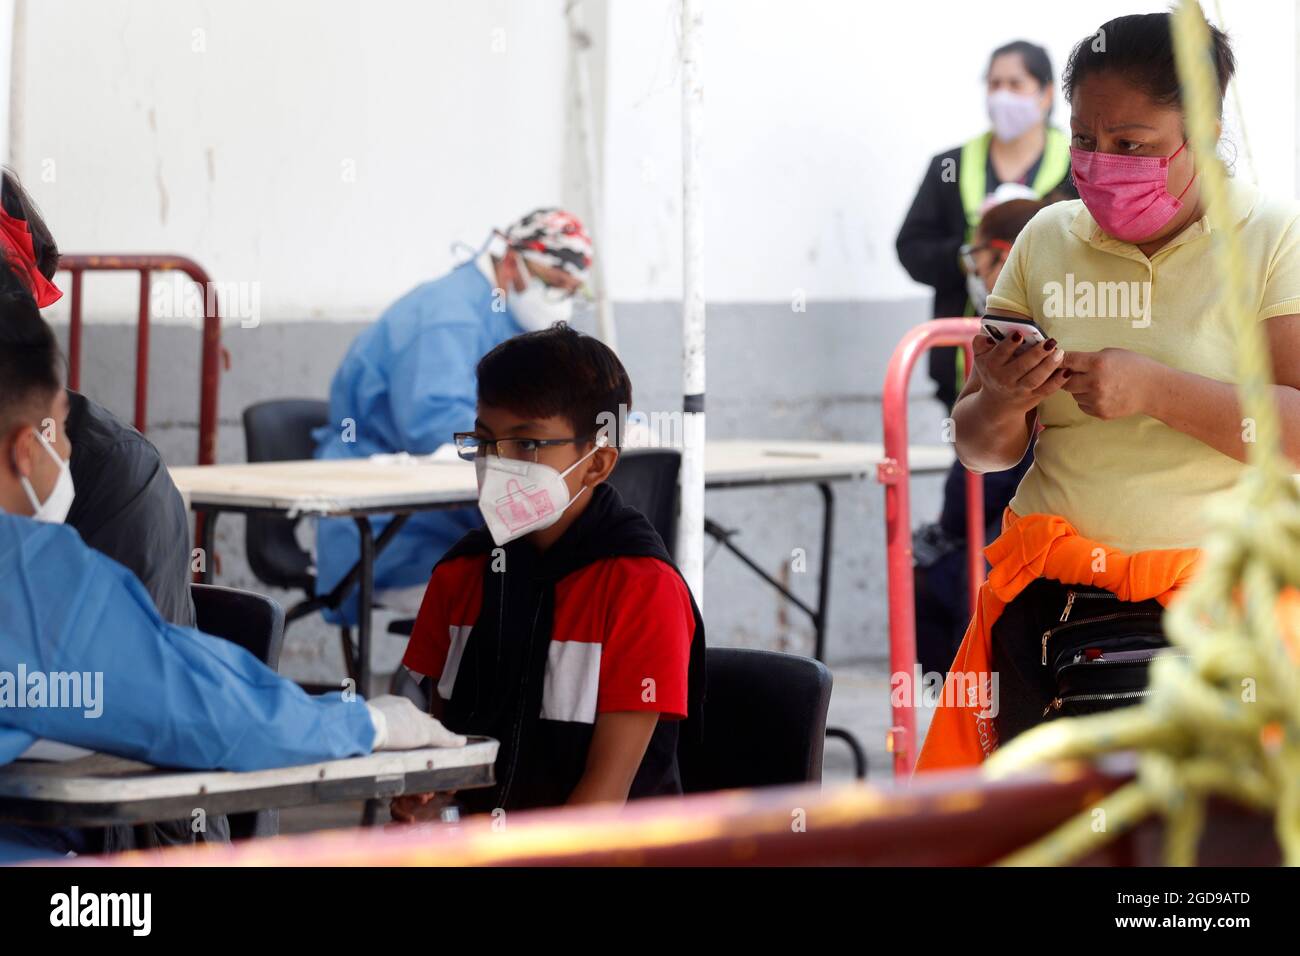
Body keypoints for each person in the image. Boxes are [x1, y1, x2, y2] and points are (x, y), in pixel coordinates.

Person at [918, 12, 1300, 770]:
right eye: (1085, 140)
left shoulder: (1271, 238)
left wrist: (1156, 389)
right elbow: (980, 448)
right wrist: (1000, 398)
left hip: (1215, 614)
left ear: (1205, 128)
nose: (1102, 165)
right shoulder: (1047, 238)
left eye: (1132, 145)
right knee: (1041, 833)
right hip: (1051, 607)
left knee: (1185, 846)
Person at [0, 300, 465, 861]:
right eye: (62, 436)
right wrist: (368, 723)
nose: (72, 453)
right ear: (27, 448)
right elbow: (195, 705)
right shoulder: (28, 580)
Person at [390, 324, 705, 819]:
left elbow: (601, 805)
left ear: (598, 463)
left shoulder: (642, 589)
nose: (498, 463)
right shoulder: (461, 572)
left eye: (529, 445)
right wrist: (423, 796)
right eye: (486, 441)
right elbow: (445, 757)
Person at [314, 208, 594, 627]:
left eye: (572, 291)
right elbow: (436, 425)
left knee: (577, 587)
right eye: (553, 285)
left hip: (462, 523)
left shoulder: (516, 322)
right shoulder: (447, 317)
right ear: (512, 262)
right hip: (389, 529)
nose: (560, 302)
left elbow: (572, 396)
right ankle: (433, 691)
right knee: (526, 602)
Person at [897, 40, 1077, 411]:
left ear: (1045, 94)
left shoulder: (1077, 167)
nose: (1001, 95)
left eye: (1015, 84)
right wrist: (971, 258)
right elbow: (911, 246)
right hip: (966, 352)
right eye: (994, 84)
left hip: (1060, 356)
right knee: (976, 458)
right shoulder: (949, 167)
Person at [913, 198, 1046, 676]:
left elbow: (986, 477)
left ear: (1007, 256)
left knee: (964, 574)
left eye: (980, 259)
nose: (977, 275)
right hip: (1015, 509)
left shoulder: (1029, 336)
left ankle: (969, 711)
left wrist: (945, 532)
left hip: (1035, 525)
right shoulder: (1009, 332)